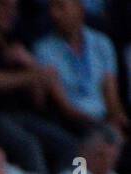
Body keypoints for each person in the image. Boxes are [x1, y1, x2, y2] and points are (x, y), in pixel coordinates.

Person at [0, 0, 78, 174]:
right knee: (28, 145)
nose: (9, 13)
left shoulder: (18, 43)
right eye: (3, 6)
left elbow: (39, 98)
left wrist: (30, 64)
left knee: (68, 144)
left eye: (13, 8)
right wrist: (30, 76)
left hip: (22, 115)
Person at [34, 0, 126, 132]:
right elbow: (66, 108)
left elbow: (112, 98)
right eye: (52, 8)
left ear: (79, 9)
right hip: (73, 123)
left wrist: (117, 119)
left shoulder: (102, 43)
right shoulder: (43, 49)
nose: (54, 14)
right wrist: (101, 127)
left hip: (104, 119)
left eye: (61, 7)